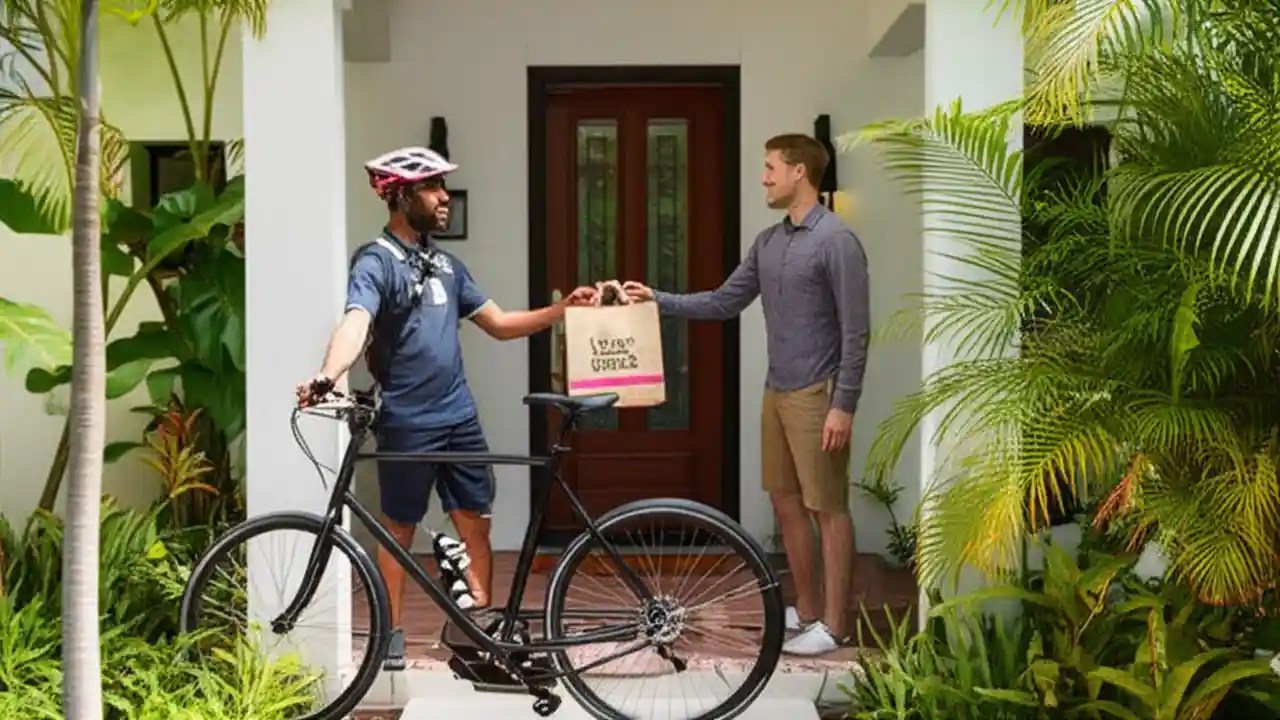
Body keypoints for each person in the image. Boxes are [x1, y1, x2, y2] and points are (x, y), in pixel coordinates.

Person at [295, 146, 595, 671]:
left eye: (442, 187)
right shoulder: (376, 261)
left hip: (459, 417)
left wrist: (560, 310)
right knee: (399, 530)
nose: (443, 197)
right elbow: (357, 321)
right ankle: (389, 636)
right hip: (407, 423)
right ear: (402, 196)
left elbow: (499, 324)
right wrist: (330, 374)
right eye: (432, 188)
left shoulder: (447, 265)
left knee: (475, 524)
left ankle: (480, 631)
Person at [621, 133, 870, 656]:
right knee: (785, 501)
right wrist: (657, 299)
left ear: (799, 172)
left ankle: (835, 623)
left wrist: (843, 403)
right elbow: (723, 301)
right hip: (776, 392)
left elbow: (857, 330)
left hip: (818, 393)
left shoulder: (837, 241)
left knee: (827, 506)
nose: (764, 177)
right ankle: (805, 611)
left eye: (771, 168)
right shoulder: (768, 242)